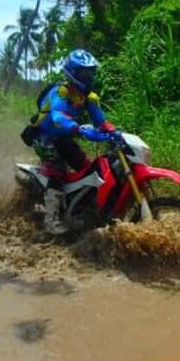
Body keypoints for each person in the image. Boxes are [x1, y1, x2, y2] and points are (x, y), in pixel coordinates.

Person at [32, 49, 118, 235]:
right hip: (45, 137)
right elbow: (58, 117)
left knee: (87, 168)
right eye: (84, 73)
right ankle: (51, 220)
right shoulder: (61, 92)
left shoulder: (89, 97)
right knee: (58, 171)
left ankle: (82, 210)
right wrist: (80, 129)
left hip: (63, 138)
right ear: (73, 73)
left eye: (91, 73)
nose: (88, 77)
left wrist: (114, 132)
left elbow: (101, 122)